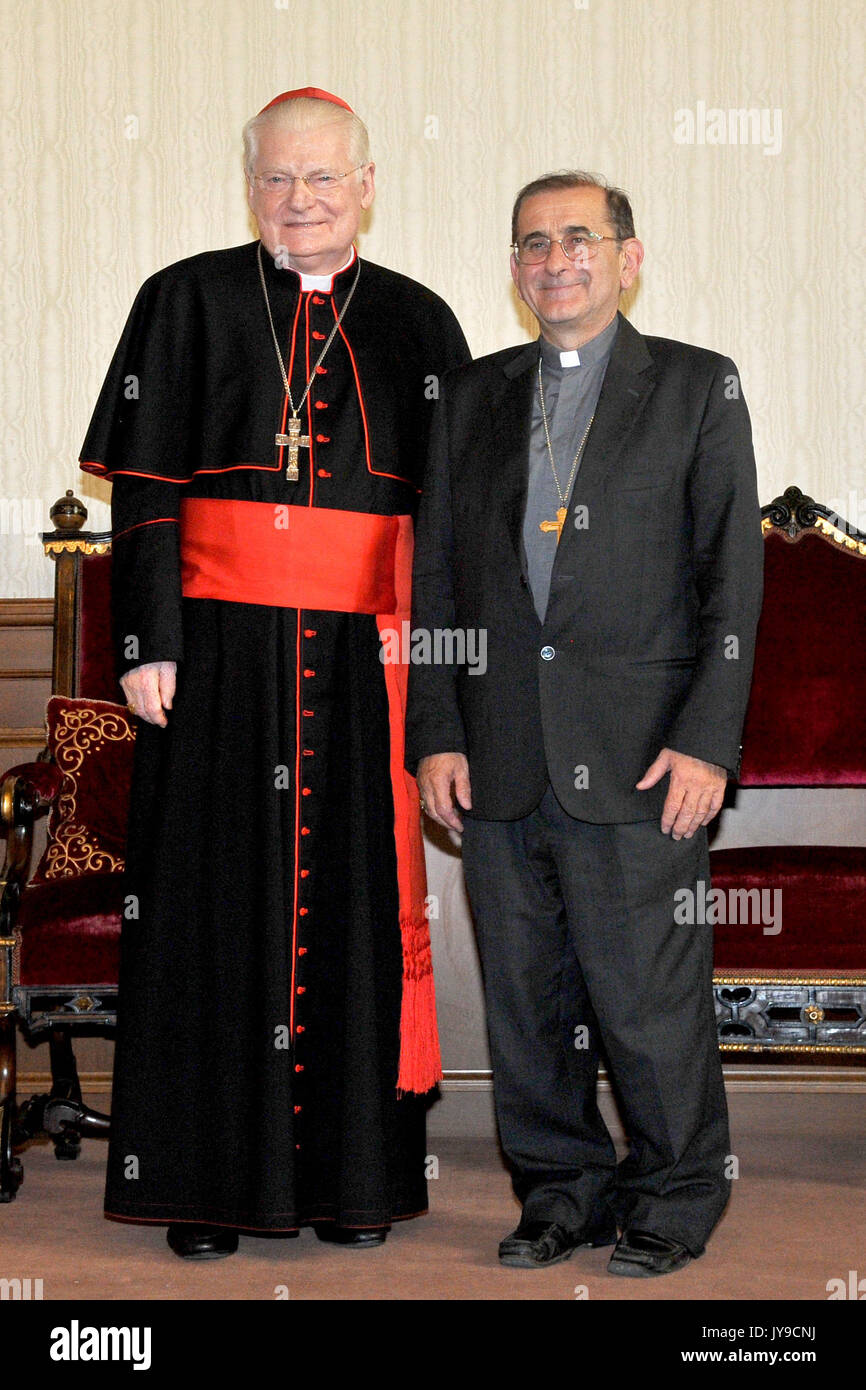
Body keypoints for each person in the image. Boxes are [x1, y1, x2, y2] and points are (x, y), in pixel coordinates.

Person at [79, 87, 469, 1259]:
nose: (297, 200)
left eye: (321, 178)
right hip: (214, 657)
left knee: (350, 907)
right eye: (275, 179)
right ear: (248, 186)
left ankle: (354, 1184)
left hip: (363, 662)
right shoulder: (181, 300)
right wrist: (144, 646)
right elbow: (143, 492)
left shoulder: (417, 321)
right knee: (204, 910)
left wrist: (442, 681)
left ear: (365, 186)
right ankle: (203, 1189)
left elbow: (446, 525)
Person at [407, 171, 763, 1276]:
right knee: (525, 1004)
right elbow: (436, 582)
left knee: (647, 1005)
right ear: (511, 269)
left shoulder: (698, 387)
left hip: (644, 756)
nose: (553, 259)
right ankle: (561, 1192)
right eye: (531, 244)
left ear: (626, 255)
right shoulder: (471, 398)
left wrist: (708, 739)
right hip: (501, 752)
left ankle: (673, 1196)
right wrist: (435, 732)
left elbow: (731, 582)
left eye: (577, 238)